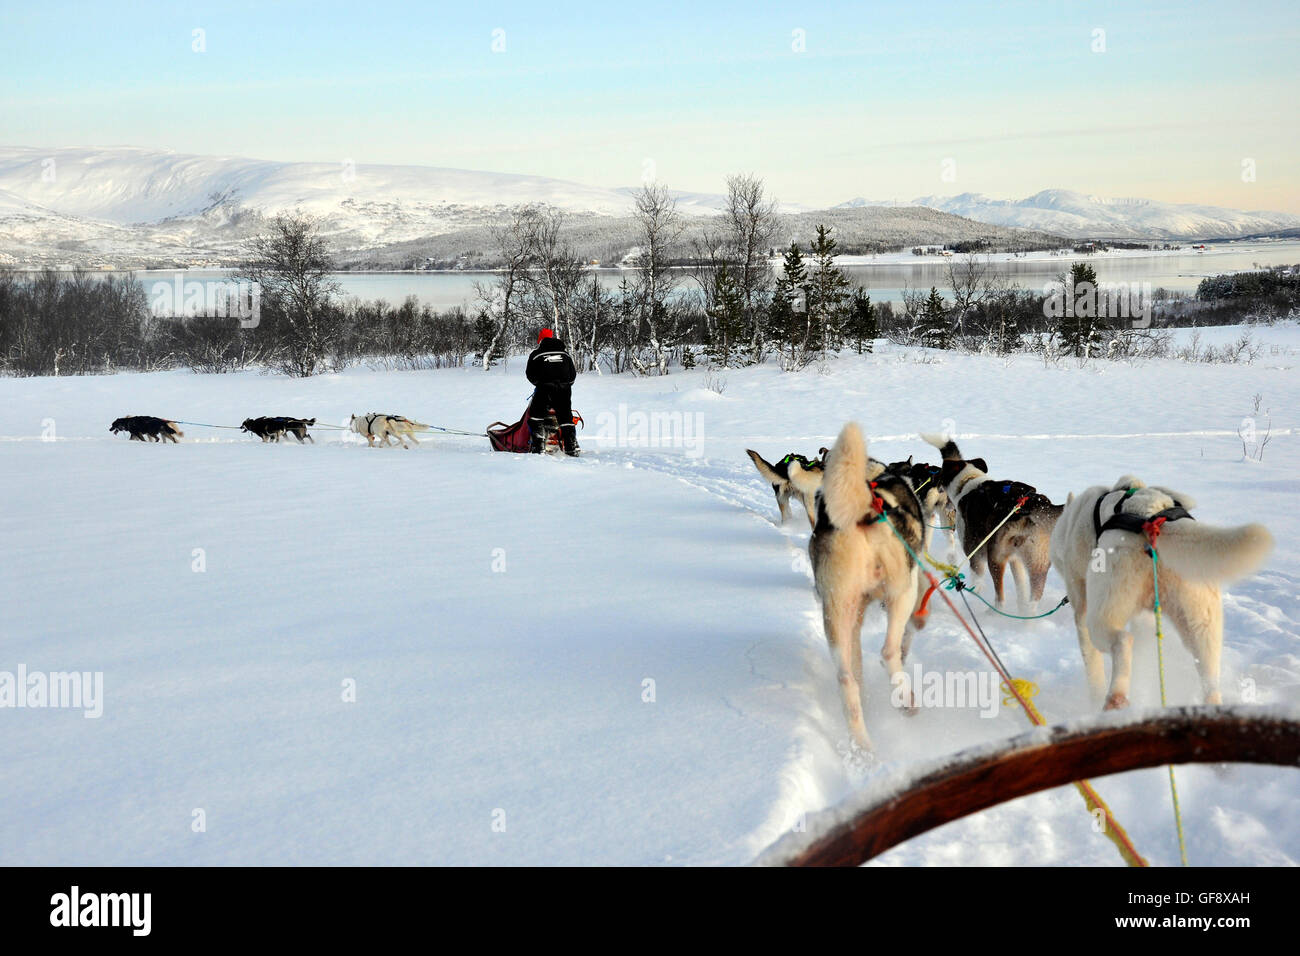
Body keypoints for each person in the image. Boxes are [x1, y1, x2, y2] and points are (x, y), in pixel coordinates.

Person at [525, 328, 578, 456]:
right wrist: (565, 385)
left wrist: (540, 383)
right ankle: (571, 447)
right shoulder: (565, 355)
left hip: (544, 389)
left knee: (536, 416)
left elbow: (530, 374)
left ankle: (538, 447)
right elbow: (572, 375)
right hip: (564, 390)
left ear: (541, 340)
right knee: (566, 418)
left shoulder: (536, 354)